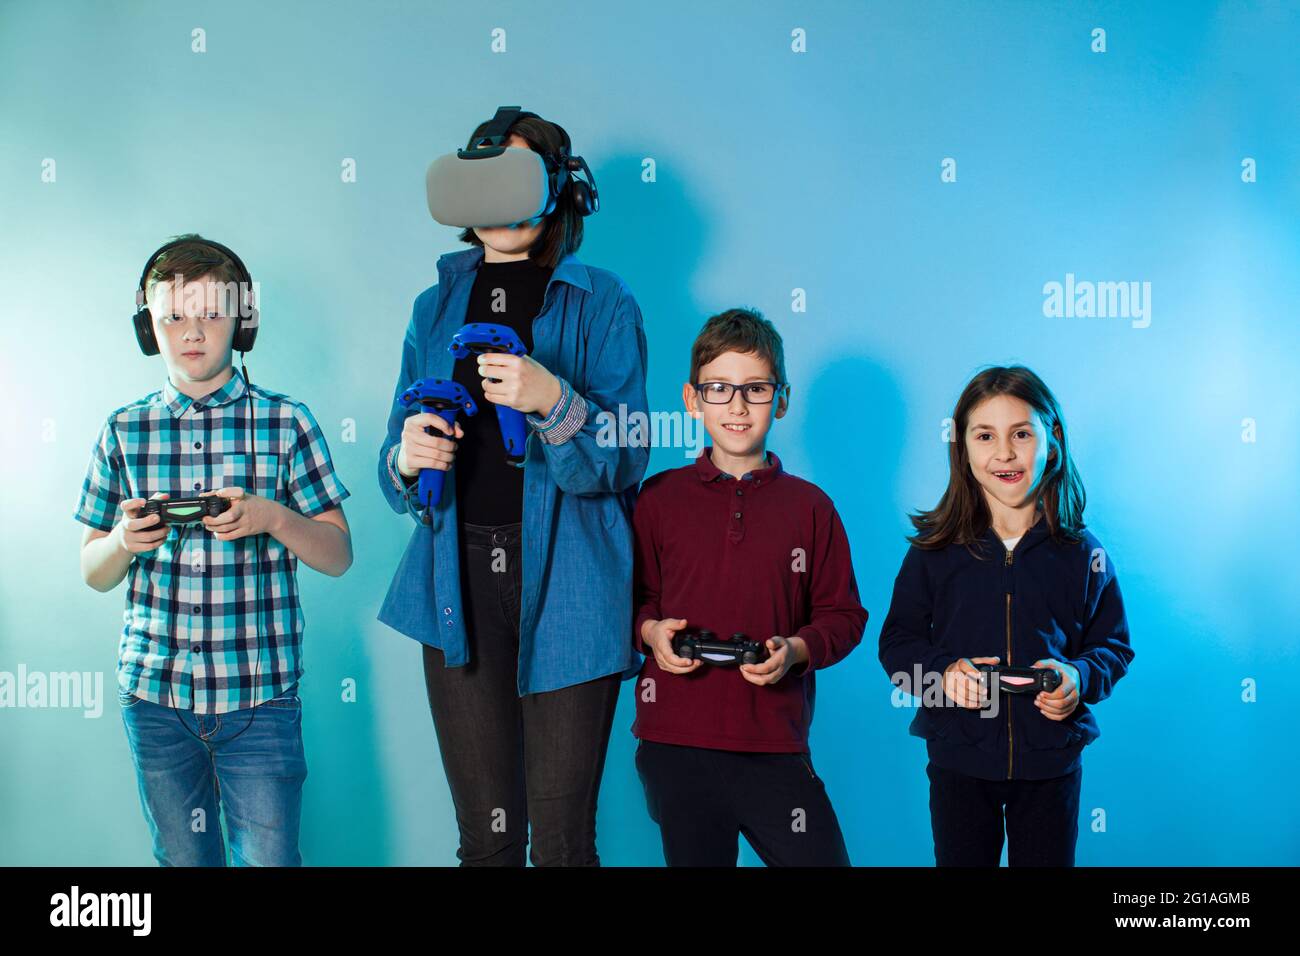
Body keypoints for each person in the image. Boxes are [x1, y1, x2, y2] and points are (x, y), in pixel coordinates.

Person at [376, 110, 650, 866]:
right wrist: (405, 459)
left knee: (561, 844)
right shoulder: (434, 305)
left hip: (572, 584)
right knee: (488, 841)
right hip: (453, 579)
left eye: (519, 175)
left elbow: (624, 460)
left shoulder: (604, 301)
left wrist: (550, 400)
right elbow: (389, 461)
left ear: (558, 189)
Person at [75, 235, 352, 865]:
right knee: (182, 861)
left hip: (260, 699)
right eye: (172, 315)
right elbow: (93, 571)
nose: (191, 331)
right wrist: (123, 541)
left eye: (210, 312)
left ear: (242, 321)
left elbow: (337, 554)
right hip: (155, 699)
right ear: (149, 327)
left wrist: (272, 517)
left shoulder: (287, 422)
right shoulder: (122, 429)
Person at [631, 307, 867, 866]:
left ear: (780, 399)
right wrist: (651, 632)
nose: (737, 406)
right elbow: (631, 599)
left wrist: (796, 650)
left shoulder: (811, 508)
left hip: (773, 744)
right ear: (692, 399)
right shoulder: (658, 499)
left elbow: (843, 615)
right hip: (676, 744)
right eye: (719, 389)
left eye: (755, 389)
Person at [878, 365, 1134, 866]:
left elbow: (1115, 647)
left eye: (1021, 433)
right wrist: (942, 677)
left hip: (1051, 763)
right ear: (963, 447)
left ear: (1052, 440)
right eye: (985, 435)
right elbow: (897, 644)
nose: (1004, 452)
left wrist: (1078, 676)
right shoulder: (935, 551)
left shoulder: (1084, 553)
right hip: (958, 760)